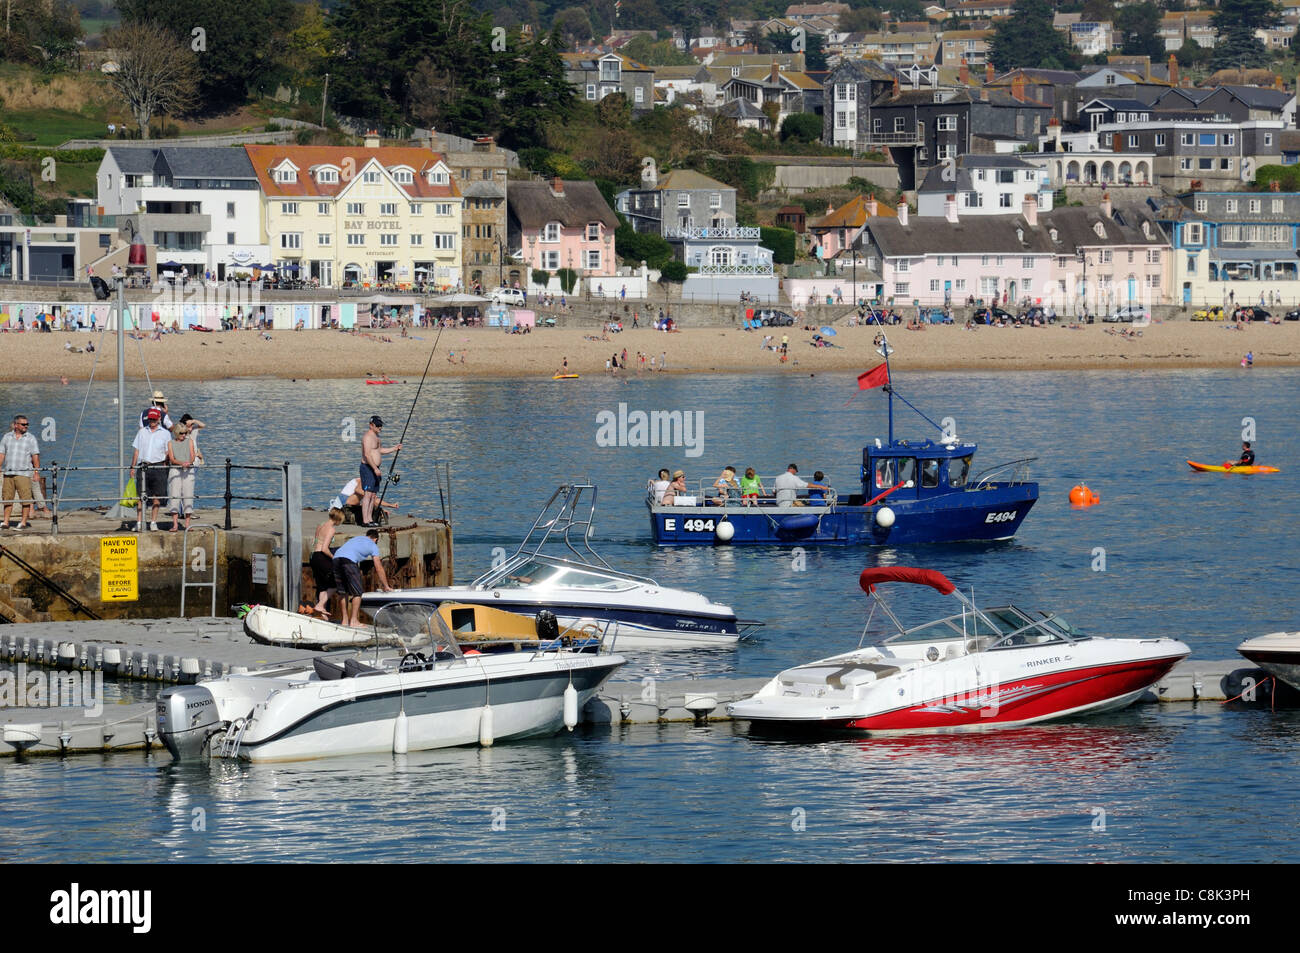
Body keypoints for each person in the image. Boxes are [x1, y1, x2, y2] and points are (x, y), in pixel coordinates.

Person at [333, 528, 396, 627]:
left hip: (336, 559)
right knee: (357, 592)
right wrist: (386, 586)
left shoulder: (356, 539)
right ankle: (354, 621)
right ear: (375, 539)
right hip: (349, 561)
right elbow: (378, 567)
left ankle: (344, 621)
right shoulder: (373, 545)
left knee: (342, 592)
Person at [129, 408, 171, 530]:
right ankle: (139, 522)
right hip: (143, 466)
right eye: (150, 419)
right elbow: (136, 451)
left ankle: (153, 522)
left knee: (156, 496)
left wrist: (167, 464)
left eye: (154, 419)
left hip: (158, 466)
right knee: (140, 496)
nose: (152, 421)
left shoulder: (165, 434)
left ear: (158, 419)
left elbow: (168, 451)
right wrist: (132, 466)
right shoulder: (142, 432)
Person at [360, 416, 401, 527]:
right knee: (368, 494)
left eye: (381, 425)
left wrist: (394, 448)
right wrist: (374, 468)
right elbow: (368, 455)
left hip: (375, 469)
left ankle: (370, 519)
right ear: (371, 425)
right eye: (377, 425)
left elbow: (379, 451)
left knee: (373, 495)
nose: (380, 427)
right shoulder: (367, 437)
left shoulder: (377, 437)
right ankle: (365, 520)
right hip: (368, 468)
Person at [0, 414, 39, 530]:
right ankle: (5, 522)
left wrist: (36, 472)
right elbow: (2, 454)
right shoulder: (7, 437)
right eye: (23, 424)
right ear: (16, 425)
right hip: (8, 473)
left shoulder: (30, 438)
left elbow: (35, 456)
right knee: (7, 498)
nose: (26, 426)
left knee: (25, 499)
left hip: (24, 473)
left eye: (27, 424)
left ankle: (23, 522)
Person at [310, 508, 345, 619]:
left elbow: (315, 541)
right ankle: (320, 605)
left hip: (314, 557)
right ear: (338, 519)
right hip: (322, 556)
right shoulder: (331, 529)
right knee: (337, 583)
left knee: (323, 586)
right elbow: (325, 549)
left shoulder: (320, 525)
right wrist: (334, 558)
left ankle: (322, 614)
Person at [165, 421, 198, 531]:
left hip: (188, 469)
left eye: (185, 433)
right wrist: (181, 463)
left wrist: (188, 462)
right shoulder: (170, 443)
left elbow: (193, 455)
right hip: (175, 469)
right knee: (174, 495)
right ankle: (175, 524)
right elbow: (172, 458)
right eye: (181, 433)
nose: (184, 435)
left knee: (188, 495)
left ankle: (187, 524)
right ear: (177, 433)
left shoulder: (190, 441)